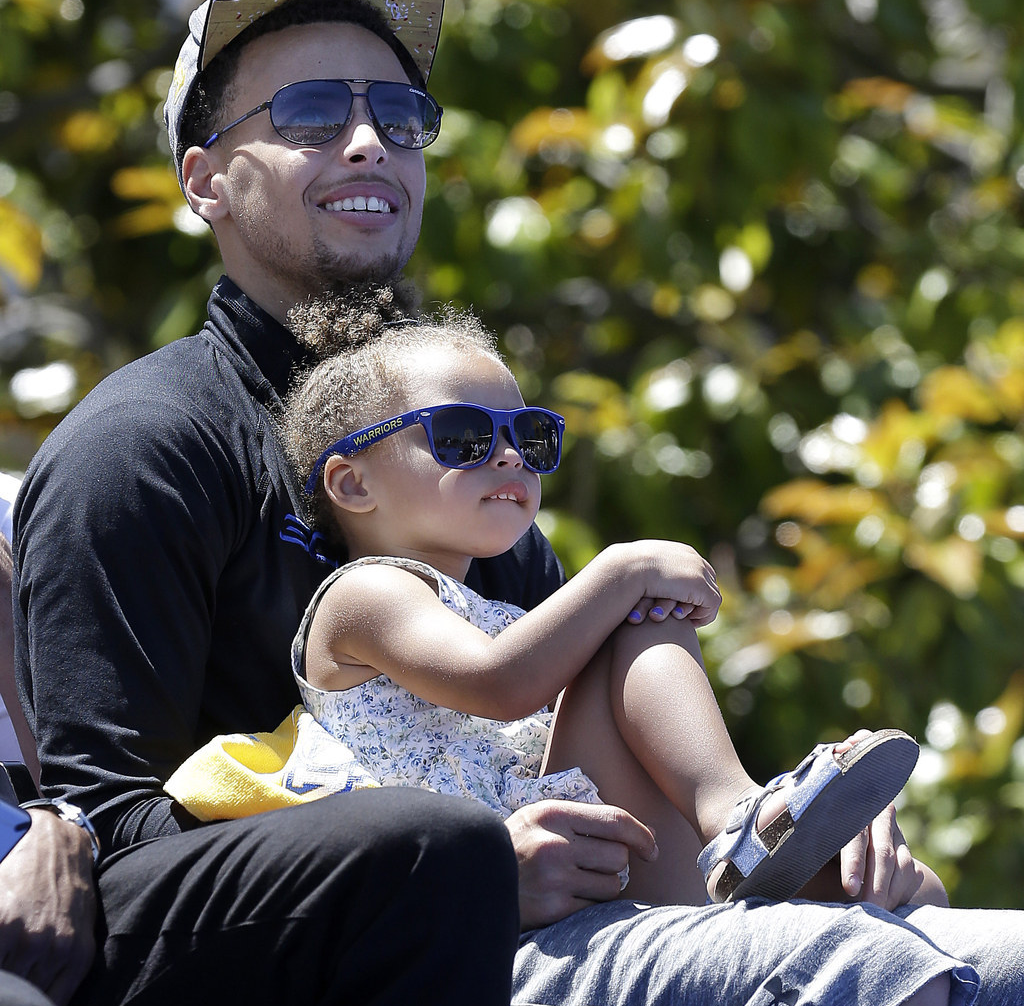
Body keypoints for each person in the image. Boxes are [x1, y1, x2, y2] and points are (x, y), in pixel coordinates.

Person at [7, 0, 1018, 1006]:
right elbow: (109, 860)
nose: (368, 140)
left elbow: (564, 726)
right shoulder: (142, 451)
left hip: (563, 949)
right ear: (205, 177)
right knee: (864, 999)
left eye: (399, 113)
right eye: (311, 112)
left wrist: (776, 831)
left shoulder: (456, 442)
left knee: (995, 978)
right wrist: (450, 882)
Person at [275, 302, 922, 909]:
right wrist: (624, 568)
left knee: (914, 894)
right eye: (464, 435)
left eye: (529, 436)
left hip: (592, 840)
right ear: (353, 483)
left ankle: (756, 828)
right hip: (532, 874)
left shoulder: (496, 611)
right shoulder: (362, 593)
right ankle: (736, 813)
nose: (508, 455)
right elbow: (500, 683)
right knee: (634, 617)